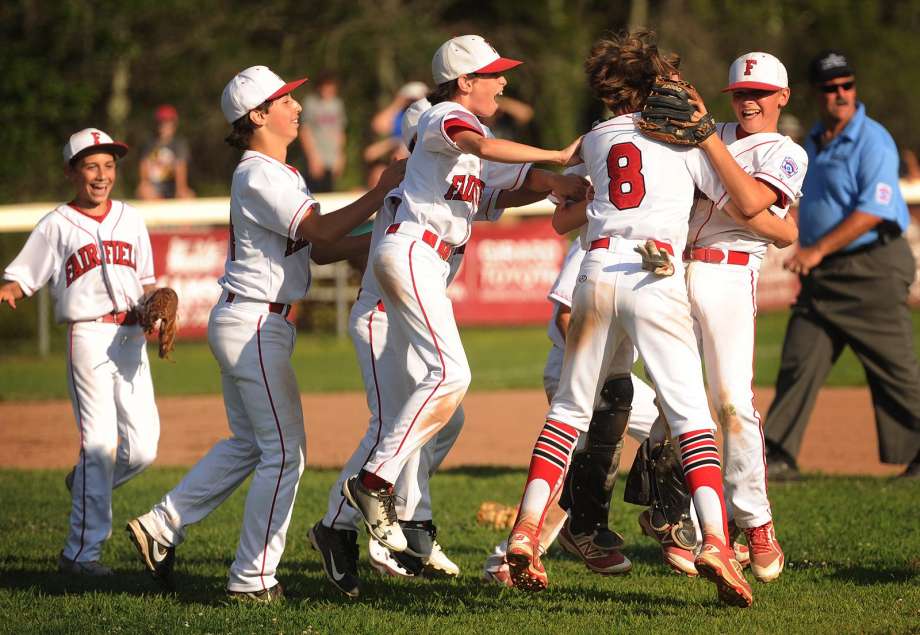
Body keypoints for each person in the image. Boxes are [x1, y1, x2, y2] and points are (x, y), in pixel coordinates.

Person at [504, 30, 785, 608]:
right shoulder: (679, 140)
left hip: (596, 271)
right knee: (691, 418)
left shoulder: (598, 137)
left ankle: (527, 530)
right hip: (654, 273)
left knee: (568, 413)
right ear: (654, 86)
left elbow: (569, 208)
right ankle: (716, 541)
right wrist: (704, 137)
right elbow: (748, 203)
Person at [124, 65, 405, 603]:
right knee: (284, 453)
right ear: (257, 115)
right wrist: (380, 191)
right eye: (285, 100)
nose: (296, 106)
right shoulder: (258, 174)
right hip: (254, 321)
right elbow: (320, 229)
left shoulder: (282, 172)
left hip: (251, 320)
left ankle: (161, 526)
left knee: (251, 444)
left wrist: (384, 240)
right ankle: (251, 580)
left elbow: (321, 248)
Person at [339, 34, 586, 558]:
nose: (503, 82)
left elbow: (500, 189)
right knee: (450, 375)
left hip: (425, 257)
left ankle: (391, 505)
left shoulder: (464, 144)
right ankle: (375, 482)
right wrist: (560, 156)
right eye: (493, 74)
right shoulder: (442, 116)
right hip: (413, 248)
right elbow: (486, 149)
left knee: (442, 393)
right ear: (465, 81)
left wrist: (556, 183)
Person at [1, 128, 161, 576]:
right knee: (99, 444)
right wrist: (11, 288)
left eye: (109, 165)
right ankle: (80, 554)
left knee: (143, 449)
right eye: (91, 166)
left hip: (131, 338)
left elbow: (147, 283)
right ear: (72, 172)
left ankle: (87, 480)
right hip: (87, 336)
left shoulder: (130, 218)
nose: (101, 174)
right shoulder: (57, 223)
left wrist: (157, 306)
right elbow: (23, 276)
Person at [764, 50, 920, 479]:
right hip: (825, 274)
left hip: (872, 268)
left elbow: (874, 210)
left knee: (895, 370)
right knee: (799, 359)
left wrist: (816, 250)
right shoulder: (813, 141)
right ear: (817, 94)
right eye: (831, 88)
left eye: (847, 85)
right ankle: (777, 453)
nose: (841, 94)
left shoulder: (872, 139)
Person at [682, 52, 807, 583]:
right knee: (676, 405)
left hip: (729, 275)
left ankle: (755, 522)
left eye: (758, 92)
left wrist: (706, 147)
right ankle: (694, 523)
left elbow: (757, 201)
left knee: (732, 402)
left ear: (782, 96)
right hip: (673, 271)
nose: (748, 101)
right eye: (739, 93)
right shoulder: (699, 135)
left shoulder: (787, 151)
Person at [482, 238, 660, 586]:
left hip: (615, 375)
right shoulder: (593, 239)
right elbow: (566, 315)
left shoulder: (648, 238)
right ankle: (507, 560)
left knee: (670, 432)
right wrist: (591, 367)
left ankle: (693, 531)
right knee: (570, 465)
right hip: (574, 366)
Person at [298, 73, 347, 192]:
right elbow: (305, 131)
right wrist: (313, 157)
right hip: (315, 160)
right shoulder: (311, 103)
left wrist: (340, 155)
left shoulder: (337, 104)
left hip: (332, 159)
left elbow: (340, 131)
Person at [136, 104, 195, 200]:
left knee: (188, 196)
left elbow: (181, 166)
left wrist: (181, 188)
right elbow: (144, 165)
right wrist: (144, 184)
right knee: (144, 191)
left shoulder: (179, 144)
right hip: (154, 188)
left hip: (173, 187)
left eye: (168, 122)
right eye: (162, 123)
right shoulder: (149, 144)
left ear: (174, 125)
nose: (165, 126)